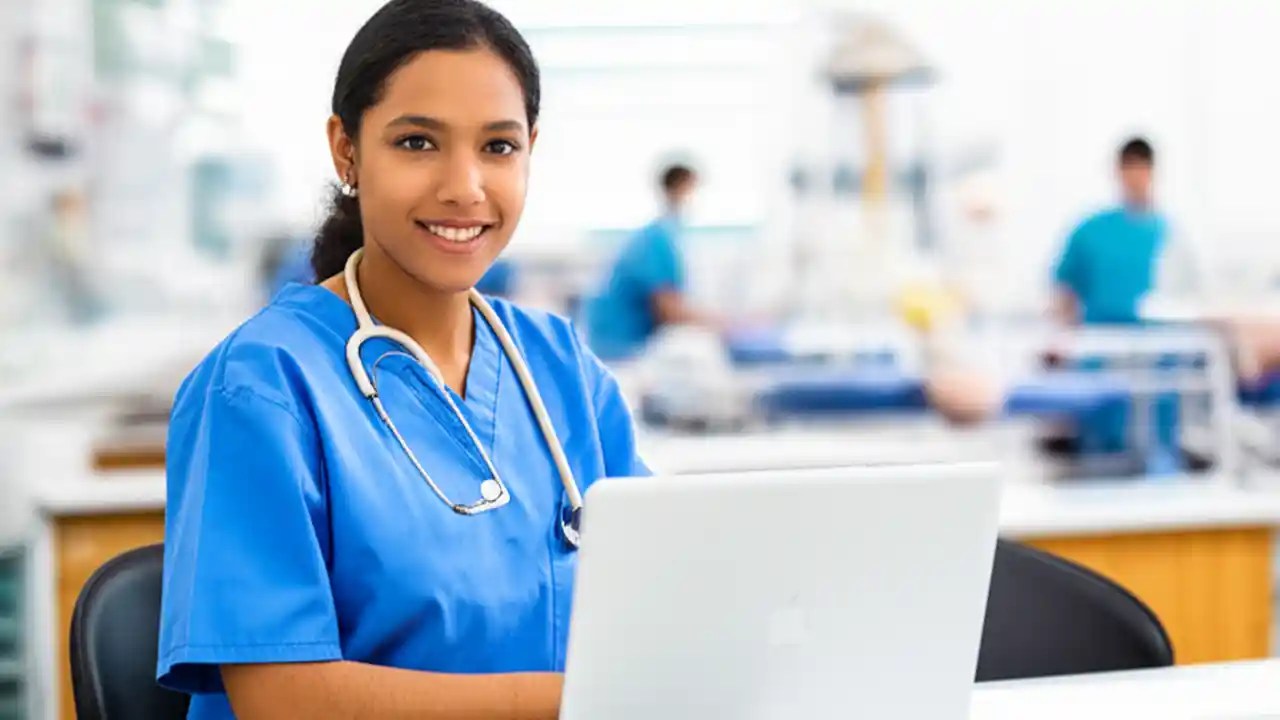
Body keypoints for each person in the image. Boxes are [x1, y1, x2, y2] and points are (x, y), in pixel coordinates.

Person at [157, 2, 647, 718]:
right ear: (346, 150)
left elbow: (662, 597)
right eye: (417, 143)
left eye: (499, 147)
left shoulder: (561, 369)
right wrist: (583, 702)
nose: (464, 186)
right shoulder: (261, 386)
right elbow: (283, 701)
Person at [1053, 137, 1195, 327]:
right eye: (1129, 167)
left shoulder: (1170, 234)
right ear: (1118, 171)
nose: (1136, 176)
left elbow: (1185, 297)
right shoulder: (1089, 231)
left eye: (1142, 168)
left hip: (1158, 343)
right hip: (1099, 342)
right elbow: (1064, 292)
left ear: (1152, 172)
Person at [584, 163, 716, 361]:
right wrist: (726, 325)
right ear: (679, 188)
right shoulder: (656, 239)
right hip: (621, 351)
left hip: (621, 347)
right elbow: (669, 311)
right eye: (692, 189)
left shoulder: (663, 235)